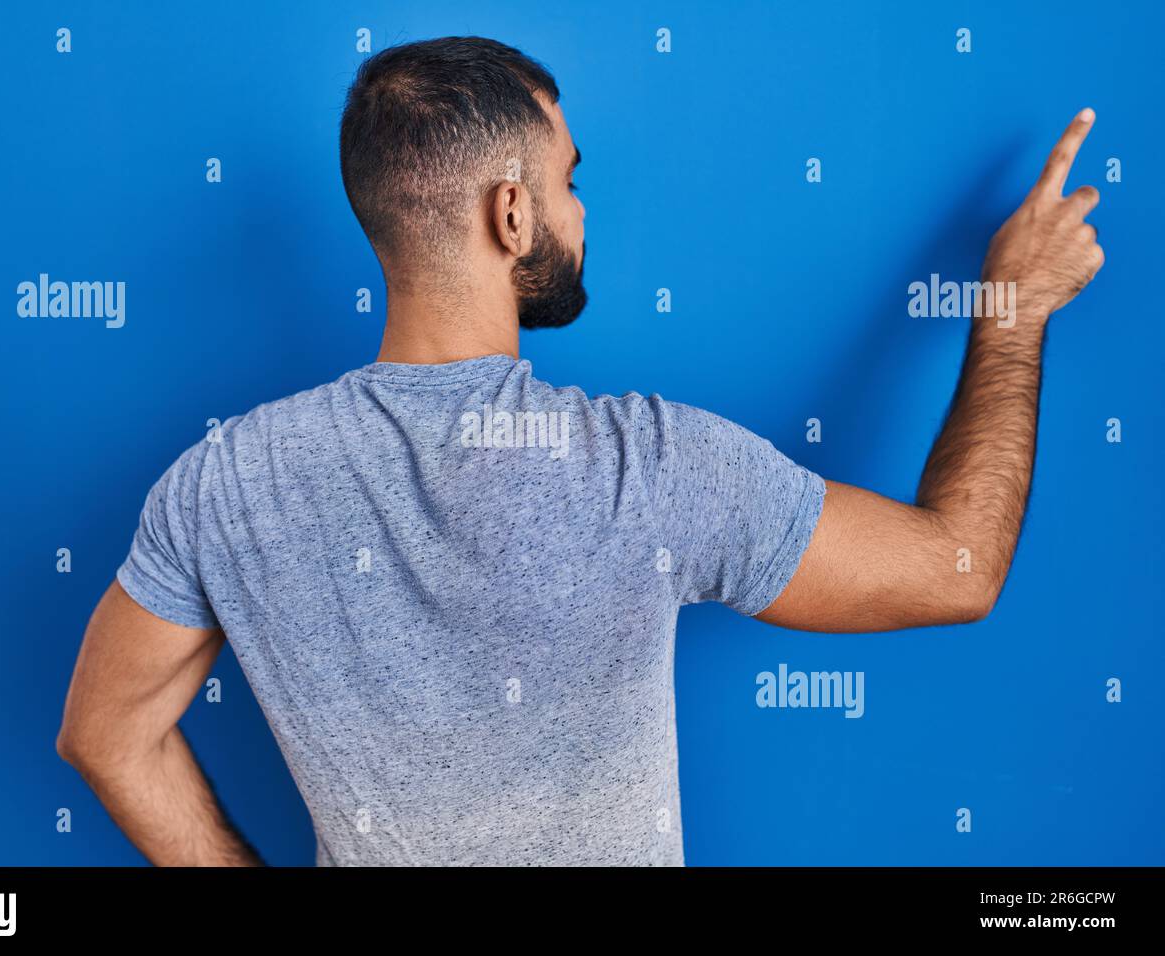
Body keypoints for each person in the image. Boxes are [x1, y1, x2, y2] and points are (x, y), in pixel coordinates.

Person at [56, 37, 1104, 866]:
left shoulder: (226, 481)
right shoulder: (649, 465)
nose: (579, 209)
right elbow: (955, 570)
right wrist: (1011, 309)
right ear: (510, 214)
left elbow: (104, 734)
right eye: (567, 179)